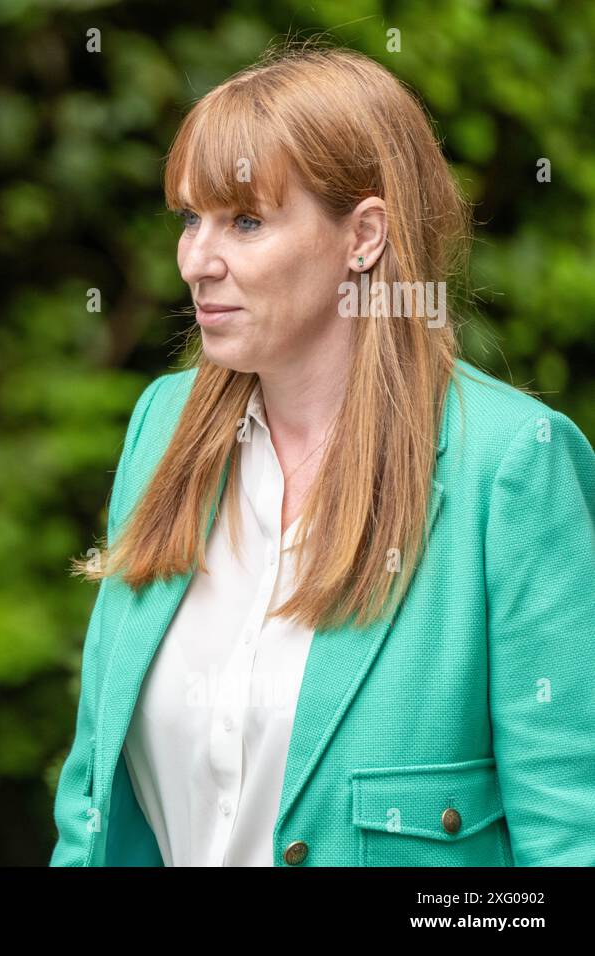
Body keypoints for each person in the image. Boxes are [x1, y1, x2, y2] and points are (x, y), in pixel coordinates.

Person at [49, 42, 595, 866]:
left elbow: (570, 842)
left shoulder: (511, 466)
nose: (197, 260)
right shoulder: (162, 427)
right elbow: (90, 804)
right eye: (191, 219)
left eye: (245, 221)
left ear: (363, 238)